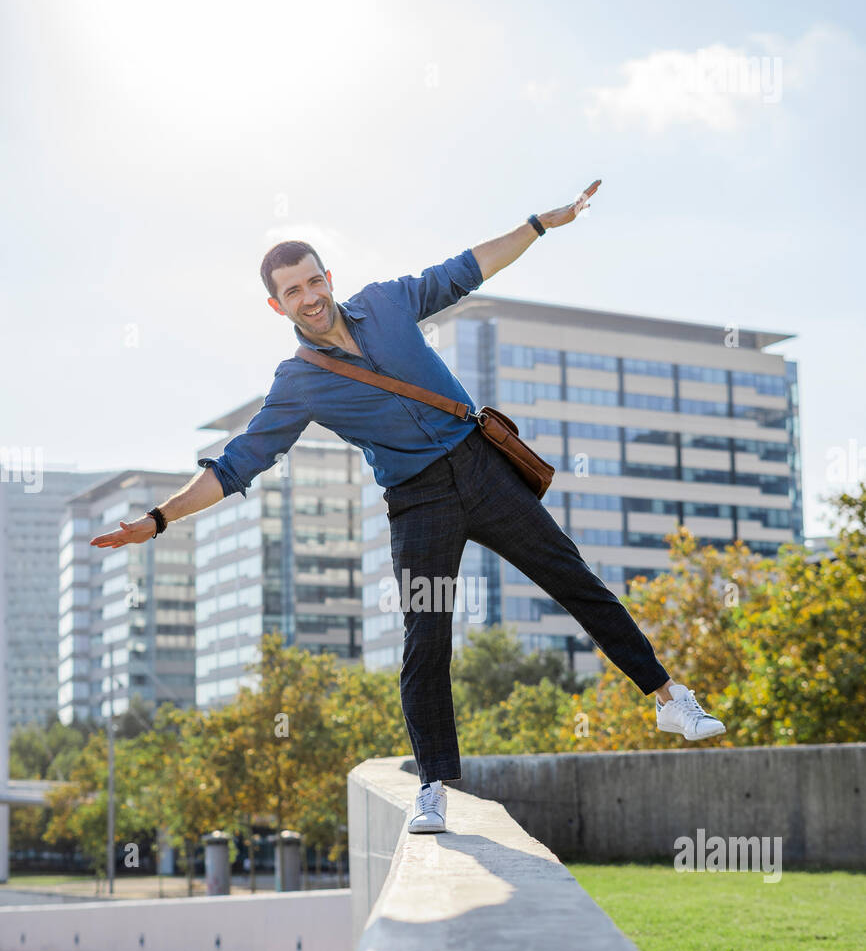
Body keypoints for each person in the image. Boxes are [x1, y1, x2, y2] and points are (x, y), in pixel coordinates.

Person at [92, 194, 725, 836]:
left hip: (482, 469)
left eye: (314, 280)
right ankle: (432, 787)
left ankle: (669, 699)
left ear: (328, 278)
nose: (309, 296)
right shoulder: (297, 382)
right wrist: (159, 519)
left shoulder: (388, 303)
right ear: (275, 305)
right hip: (419, 502)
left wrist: (537, 226)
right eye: (293, 290)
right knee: (426, 640)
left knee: (575, 580)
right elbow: (237, 463)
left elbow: (466, 269)